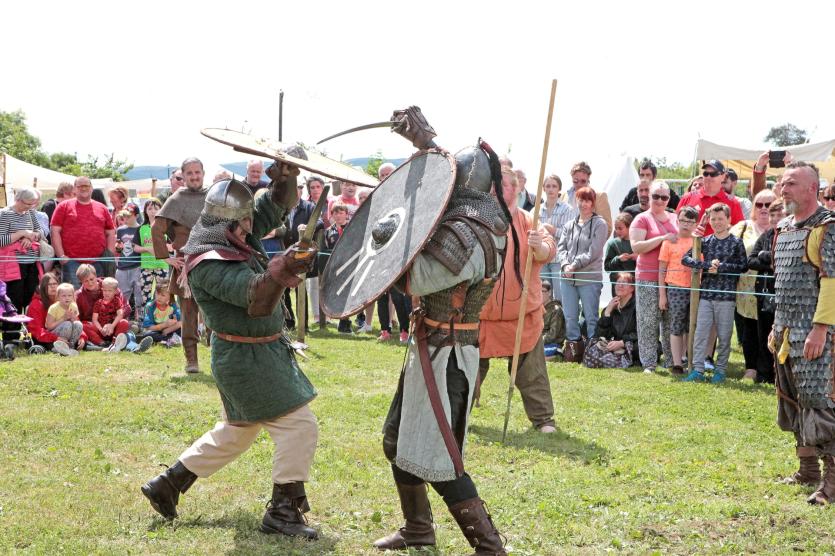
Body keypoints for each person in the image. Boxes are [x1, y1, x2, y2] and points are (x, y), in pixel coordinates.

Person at [140, 167, 321, 539]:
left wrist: (285, 175)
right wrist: (286, 265)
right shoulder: (207, 261)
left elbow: (275, 203)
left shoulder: (232, 232)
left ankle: (168, 484)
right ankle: (284, 513)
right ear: (230, 224)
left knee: (237, 432)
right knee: (299, 426)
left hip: (252, 355)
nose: (252, 226)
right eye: (246, 222)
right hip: (244, 360)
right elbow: (255, 297)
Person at [376, 141, 510, 554]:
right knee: (396, 440)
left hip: (448, 356)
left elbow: (415, 279)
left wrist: (387, 234)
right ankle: (417, 529)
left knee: (443, 458)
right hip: (429, 347)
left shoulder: (469, 232)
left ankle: (490, 547)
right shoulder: (476, 221)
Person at [768, 161, 835, 502]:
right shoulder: (783, 227)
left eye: (791, 183)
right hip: (786, 332)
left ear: (813, 187)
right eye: (782, 182)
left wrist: (820, 329)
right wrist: (777, 326)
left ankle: (832, 482)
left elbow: (831, 283)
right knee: (794, 401)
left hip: (816, 333)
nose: (784, 188)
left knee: (820, 403)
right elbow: (783, 284)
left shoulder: (828, 227)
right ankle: (807, 471)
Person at [479, 166, 557, 433]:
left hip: (522, 313)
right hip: (480, 314)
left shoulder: (529, 222)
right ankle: (456, 415)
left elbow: (547, 252)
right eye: (495, 184)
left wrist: (538, 245)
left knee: (532, 371)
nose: (500, 190)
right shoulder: (477, 219)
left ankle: (543, 419)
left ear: (517, 188)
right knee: (466, 370)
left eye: (506, 185)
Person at [151, 157, 207, 373]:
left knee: (215, 311)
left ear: (203, 173)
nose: (194, 176)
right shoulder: (176, 199)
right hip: (186, 265)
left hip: (212, 262)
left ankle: (218, 356)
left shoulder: (212, 196)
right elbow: (157, 228)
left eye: (197, 172)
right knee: (189, 314)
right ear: (183, 176)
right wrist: (165, 256)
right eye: (190, 173)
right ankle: (191, 360)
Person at [682, 202, 747, 383]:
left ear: (729, 220)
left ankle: (720, 370)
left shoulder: (736, 242)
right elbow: (685, 259)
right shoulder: (706, 241)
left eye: (720, 219)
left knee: (725, 335)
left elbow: (743, 266)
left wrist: (722, 268)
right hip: (706, 295)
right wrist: (705, 266)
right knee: (700, 333)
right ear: (709, 221)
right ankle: (698, 369)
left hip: (726, 297)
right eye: (713, 219)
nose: (717, 222)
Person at [629, 180, 678, 374]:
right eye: (656, 196)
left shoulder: (675, 218)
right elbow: (636, 246)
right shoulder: (641, 219)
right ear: (649, 197)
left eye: (664, 197)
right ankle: (649, 363)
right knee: (648, 320)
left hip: (672, 278)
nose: (659, 200)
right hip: (648, 276)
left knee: (670, 321)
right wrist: (662, 239)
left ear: (668, 199)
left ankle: (671, 360)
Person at [730, 188, 777, 380]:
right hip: (745, 289)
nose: (764, 208)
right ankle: (751, 368)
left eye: (769, 204)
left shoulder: (784, 227)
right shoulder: (742, 227)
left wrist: (763, 260)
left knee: (770, 328)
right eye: (759, 204)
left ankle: (770, 369)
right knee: (749, 328)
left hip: (772, 290)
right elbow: (727, 244)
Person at [558, 186, 608, 362]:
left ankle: (592, 353)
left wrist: (574, 265)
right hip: (567, 278)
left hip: (589, 278)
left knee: (591, 316)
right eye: (581, 199)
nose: (584, 204)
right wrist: (565, 265)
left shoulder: (600, 224)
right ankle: (574, 350)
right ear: (576, 201)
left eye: (588, 200)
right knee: (570, 316)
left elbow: (593, 252)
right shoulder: (568, 225)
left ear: (593, 203)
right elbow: (561, 247)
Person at [51, 176, 116, 287]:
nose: (84, 188)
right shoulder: (63, 207)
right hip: (71, 262)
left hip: (99, 262)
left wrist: (109, 255)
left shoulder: (102, 208)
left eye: (86, 185)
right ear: (74, 189)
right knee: (72, 299)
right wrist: (61, 257)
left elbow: (110, 232)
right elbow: (54, 232)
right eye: (80, 186)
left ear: (91, 188)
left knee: (98, 297)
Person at [746, 200, 784, 384]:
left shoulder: (792, 234)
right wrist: (770, 261)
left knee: (782, 336)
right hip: (764, 293)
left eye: (779, 215)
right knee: (764, 336)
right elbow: (752, 260)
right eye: (773, 215)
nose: (775, 219)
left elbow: (785, 259)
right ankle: (764, 375)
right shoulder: (767, 235)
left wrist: (766, 256)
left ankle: (781, 376)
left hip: (784, 295)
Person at [658, 205, 699, 375]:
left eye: (690, 221)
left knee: (692, 326)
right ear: (677, 220)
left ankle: (690, 360)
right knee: (676, 326)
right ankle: (676, 363)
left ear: (696, 224)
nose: (686, 224)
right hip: (675, 288)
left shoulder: (698, 242)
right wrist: (662, 295)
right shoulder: (669, 242)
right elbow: (661, 269)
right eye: (682, 220)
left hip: (695, 289)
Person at [0, 187, 46, 316]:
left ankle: (24, 328)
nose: (30, 206)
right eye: (28, 203)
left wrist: (31, 237)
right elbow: (1, 240)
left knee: (29, 296)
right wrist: (21, 233)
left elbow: (40, 232)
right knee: (15, 298)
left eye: (33, 204)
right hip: (13, 265)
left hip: (31, 262)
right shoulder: (5, 214)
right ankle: (11, 332)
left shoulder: (31, 213)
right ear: (18, 200)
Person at [583, 272, 639, 368]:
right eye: (618, 282)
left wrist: (622, 343)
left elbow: (642, 333)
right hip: (616, 346)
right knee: (593, 342)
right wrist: (607, 313)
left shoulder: (637, 308)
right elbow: (600, 335)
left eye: (624, 283)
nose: (620, 285)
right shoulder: (611, 307)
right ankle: (618, 358)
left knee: (638, 347)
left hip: (632, 343)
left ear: (632, 288)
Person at [676, 160, 744, 235]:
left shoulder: (733, 202)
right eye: (706, 174)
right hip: (691, 245)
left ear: (723, 176)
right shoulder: (688, 197)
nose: (708, 177)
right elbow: (675, 224)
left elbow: (740, 231)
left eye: (713, 174)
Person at [539, 174, 576, 302]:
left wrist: (552, 230)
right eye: (548, 186)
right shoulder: (536, 210)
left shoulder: (567, 209)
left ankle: (560, 321)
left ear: (559, 189)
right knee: (542, 297)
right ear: (543, 188)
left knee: (560, 297)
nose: (551, 189)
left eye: (554, 186)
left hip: (558, 259)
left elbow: (570, 235)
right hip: (541, 259)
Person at [75, 263, 130, 349]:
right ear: (81, 282)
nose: (90, 283)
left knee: (124, 323)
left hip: (114, 325)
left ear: (96, 276)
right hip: (96, 329)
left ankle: (116, 343)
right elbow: (77, 318)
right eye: (86, 281)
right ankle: (102, 344)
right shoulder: (79, 296)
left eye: (91, 279)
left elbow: (126, 308)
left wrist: (111, 324)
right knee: (83, 325)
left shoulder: (110, 285)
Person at [323, 204, 352, 333]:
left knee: (348, 295)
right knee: (338, 295)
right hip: (335, 268)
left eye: (341, 213)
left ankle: (347, 322)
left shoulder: (353, 228)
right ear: (332, 215)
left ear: (346, 214)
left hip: (351, 266)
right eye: (336, 213)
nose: (338, 216)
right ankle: (342, 322)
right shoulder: (329, 231)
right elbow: (326, 249)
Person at [137, 198, 169, 312]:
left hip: (162, 265)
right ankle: (145, 320)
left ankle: (164, 318)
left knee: (163, 294)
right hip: (146, 266)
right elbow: (135, 247)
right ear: (145, 211)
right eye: (150, 208)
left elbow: (171, 246)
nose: (153, 211)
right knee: (145, 295)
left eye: (156, 208)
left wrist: (160, 248)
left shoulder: (166, 227)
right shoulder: (141, 228)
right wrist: (148, 249)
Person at [564, 161, 612, 235]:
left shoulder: (599, 197)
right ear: (572, 178)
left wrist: (594, 245)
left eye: (583, 181)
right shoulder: (564, 196)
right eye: (576, 181)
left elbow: (607, 228)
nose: (579, 184)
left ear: (588, 179)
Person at [114, 204, 143, 320]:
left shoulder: (141, 229)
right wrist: (118, 247)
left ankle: (140, 320)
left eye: (128, 216)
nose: (125, 219)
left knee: (139, 296)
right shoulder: (120, 230)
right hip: (122, 267)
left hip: (137, 266)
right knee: (122, 296)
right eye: (123, 216)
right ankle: (122, 321)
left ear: (136, 215)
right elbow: (118, 249)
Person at [92, 277, 135, 352]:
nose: (106, 293)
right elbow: (94, 319)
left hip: (113, 330)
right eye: (104, 290)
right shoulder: (98, 303)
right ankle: (100, 343)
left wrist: (112, 326)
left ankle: (114, 344)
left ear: (115, 291)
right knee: (86, 325)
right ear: (102, 289)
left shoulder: (116, 300)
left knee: (124, 322)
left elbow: (120, 314)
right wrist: (101, 329)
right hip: (102, 331)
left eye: (109, 291)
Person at [46, 282, 84, 356]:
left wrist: (73, 319)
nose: (67, 298)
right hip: (56, 334)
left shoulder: (73, 306)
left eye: (70, 295)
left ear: (73, 296)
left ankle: (71, 347)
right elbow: (49, 326)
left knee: (78, 324)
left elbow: (76, 324)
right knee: (67, 324)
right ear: (58, 297)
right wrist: (63, 318)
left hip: (68, 333)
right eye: (64, 296)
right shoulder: (53, 308)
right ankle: (59, 347)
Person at [603, 212, 636, 296]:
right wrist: (618, 259)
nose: (617, 231)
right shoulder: (613, 244)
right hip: (618, 286)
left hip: (635, 285)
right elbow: (607, 267)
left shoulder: (638, 243)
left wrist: (638, 258)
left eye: (620, 228)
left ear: (630, 227)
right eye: (616, 228)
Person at [140, 281, 182, 346]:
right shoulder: (150, 306)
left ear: (170, 297)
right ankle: (170, 340)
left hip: (170, 330)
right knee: (147, 335)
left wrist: (168, 330)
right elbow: (148, 328)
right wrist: (165, 325)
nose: (159, 297)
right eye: (157, 293)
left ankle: (169, 340)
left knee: (183, 329)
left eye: (163, 295)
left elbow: (181, 322)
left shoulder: (173, 305)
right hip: (156, 331)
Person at [541, 281, 565, 360]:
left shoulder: (556, 310)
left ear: (549, 292)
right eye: (537, 291)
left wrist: (536, 342)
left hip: (553, 344)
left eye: (543, 291)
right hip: (538, 343)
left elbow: (553, 335)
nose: (540, 294)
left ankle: (557, 356)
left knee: (531, 354)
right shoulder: (537, 308)